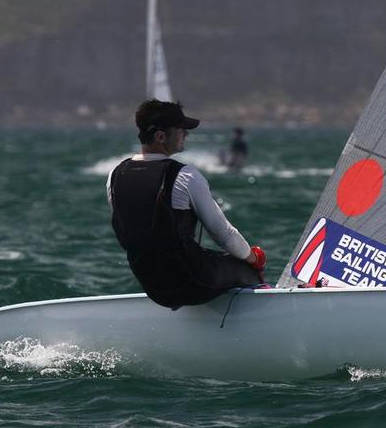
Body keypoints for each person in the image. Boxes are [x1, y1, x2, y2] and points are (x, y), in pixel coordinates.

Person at [107, 100, 267, 309]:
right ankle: (263, 310)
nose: (186, 134)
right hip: (190, 282)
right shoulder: (185, 176)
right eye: (181, 130)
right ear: (160, 136)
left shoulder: (114, 175)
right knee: (247, 268)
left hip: (151, 286)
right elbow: (224, 234)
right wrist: (254, 258)